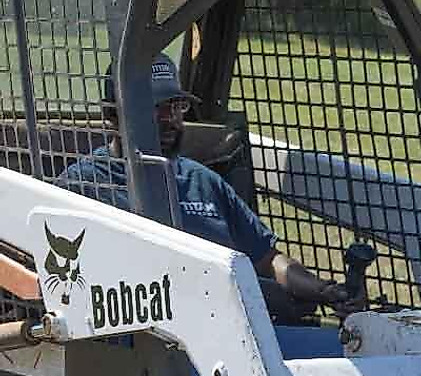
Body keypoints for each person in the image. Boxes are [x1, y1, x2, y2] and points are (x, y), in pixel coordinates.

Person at [56, 54, 361, 323]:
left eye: (176, 107)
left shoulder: (204, 181)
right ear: (112, 115)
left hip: (230, 332)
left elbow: (269, 260)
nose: (170, 120)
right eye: (154, 108)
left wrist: (325, 291)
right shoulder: (81, 187)